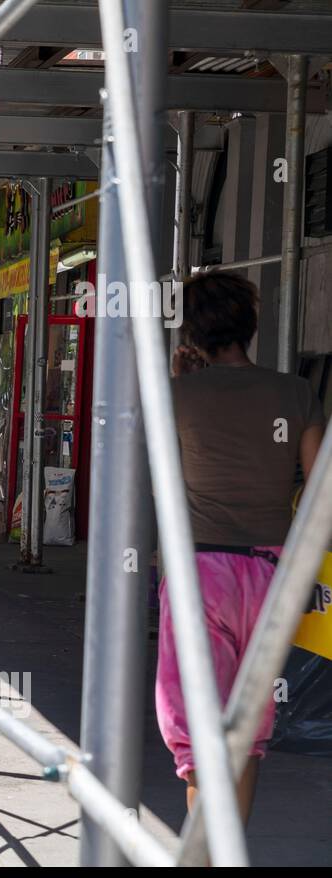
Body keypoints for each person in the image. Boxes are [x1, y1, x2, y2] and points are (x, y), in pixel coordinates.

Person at [158, 272, 324, 820]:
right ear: (249, 329)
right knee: (247, 729)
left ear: (193, 331)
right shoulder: (296, 393)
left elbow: (154, 478)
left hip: (199, 574)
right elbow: (321, 490)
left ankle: (203, 874)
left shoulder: (174, 396)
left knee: (198, 731)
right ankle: (227, 863)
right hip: (274, 577)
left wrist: (183, 385)